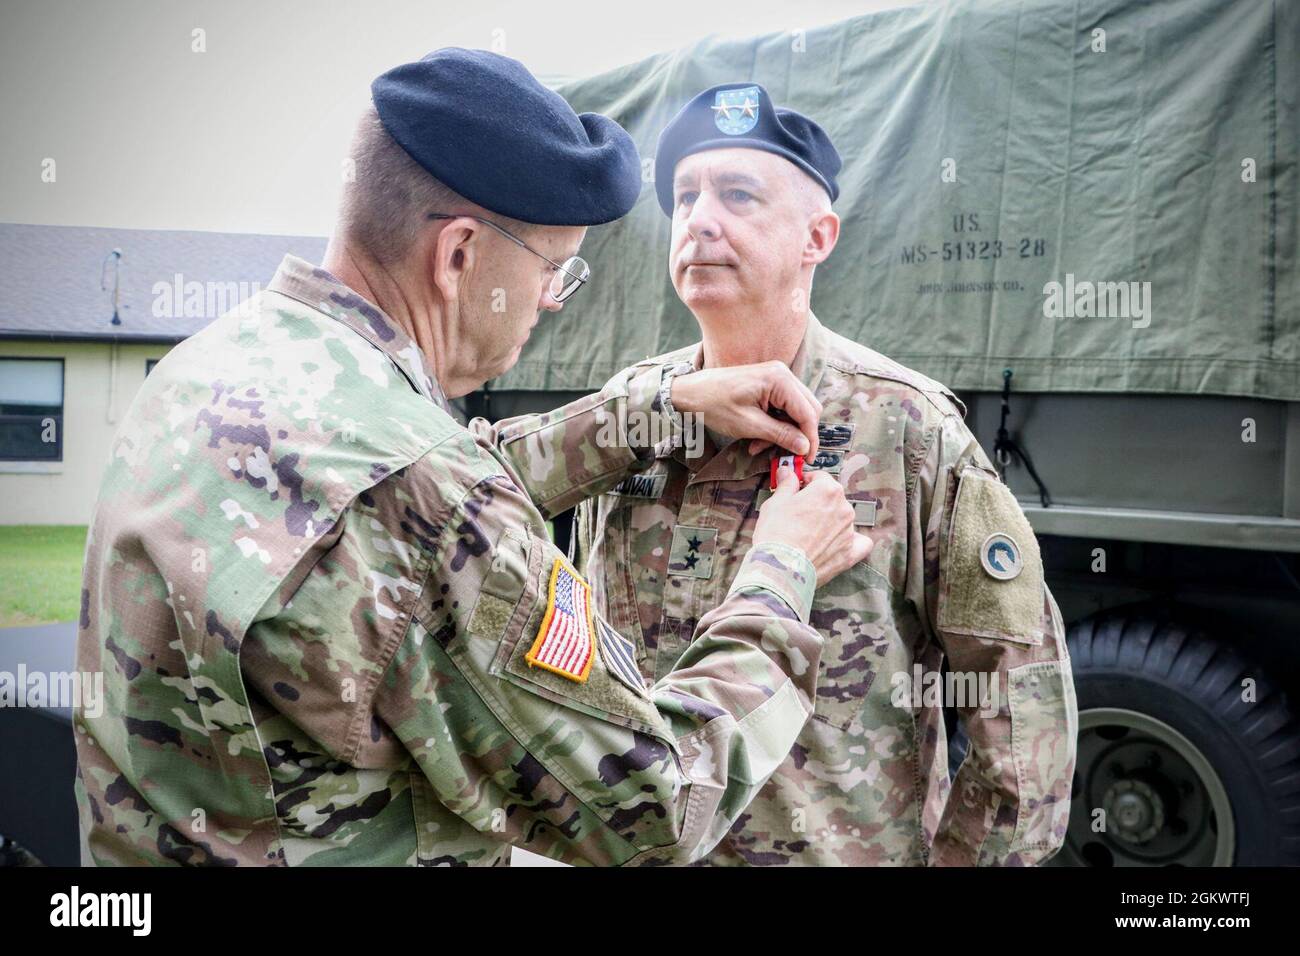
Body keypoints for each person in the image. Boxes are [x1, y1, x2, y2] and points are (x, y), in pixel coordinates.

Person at [72, 52, 872, 867]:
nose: (549, 303)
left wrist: (653, 410)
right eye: (553, 270)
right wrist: (783, 569)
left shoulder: (211, 370)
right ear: (459, 257)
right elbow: (654, 805)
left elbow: (400, 502)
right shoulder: (424, 493)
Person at [569, 83, 1078, 866]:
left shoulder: (907, 428)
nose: (700, 219)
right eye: (684, 196)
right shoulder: (628, 419)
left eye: (738, 194)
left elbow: (1022, 707)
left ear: (818, 236)